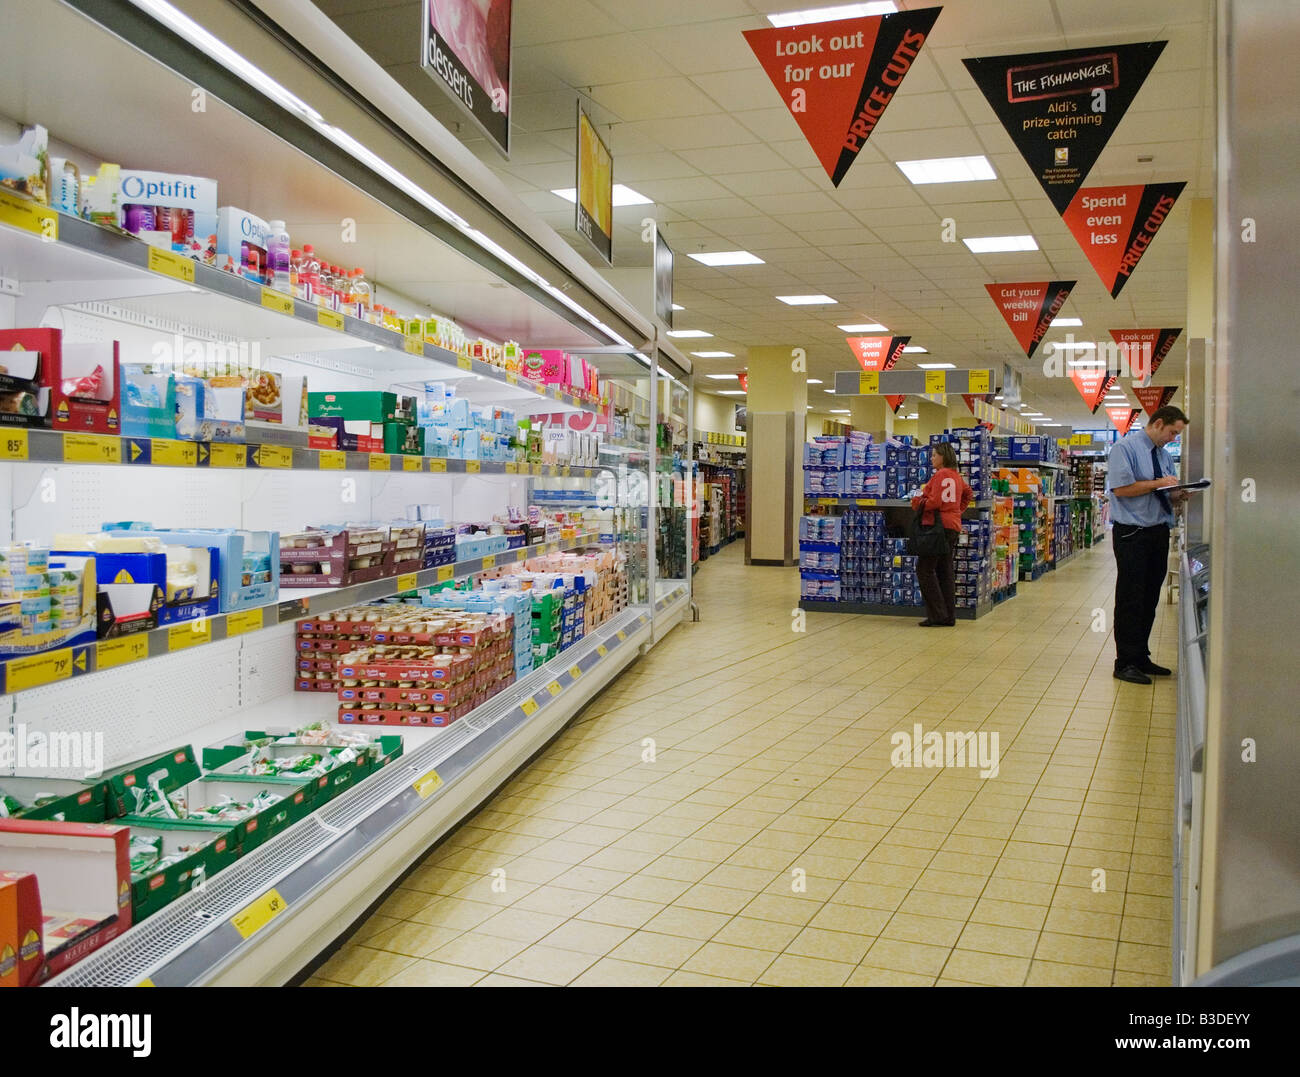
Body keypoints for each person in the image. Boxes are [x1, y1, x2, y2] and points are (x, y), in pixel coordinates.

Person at [1105, 405, 1191, 683]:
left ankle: (1141, 656)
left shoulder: (1164, 456)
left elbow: (1162, 490)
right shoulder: (1125, 449)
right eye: (1172, 432)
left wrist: (1177, 494)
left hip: (1157, 532)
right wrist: (1157, 484)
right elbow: (1122, 489)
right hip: (1132, 533)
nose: (1173, 438)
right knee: (1131, 596)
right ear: (1158, 423)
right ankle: (1125, 662)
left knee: (1149, 597)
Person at [911, 441, 974, 627]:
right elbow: (968, 494)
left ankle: (937, 614)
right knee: (945, 570)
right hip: (953, 526)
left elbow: (935, 502)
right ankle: (948, 615)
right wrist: (957, 511)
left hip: (937, 529)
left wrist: (917, 502)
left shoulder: (940, 475)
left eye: (933, 455)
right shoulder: (956, 476)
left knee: (925, 569)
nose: (931, 458)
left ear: (942, 457)